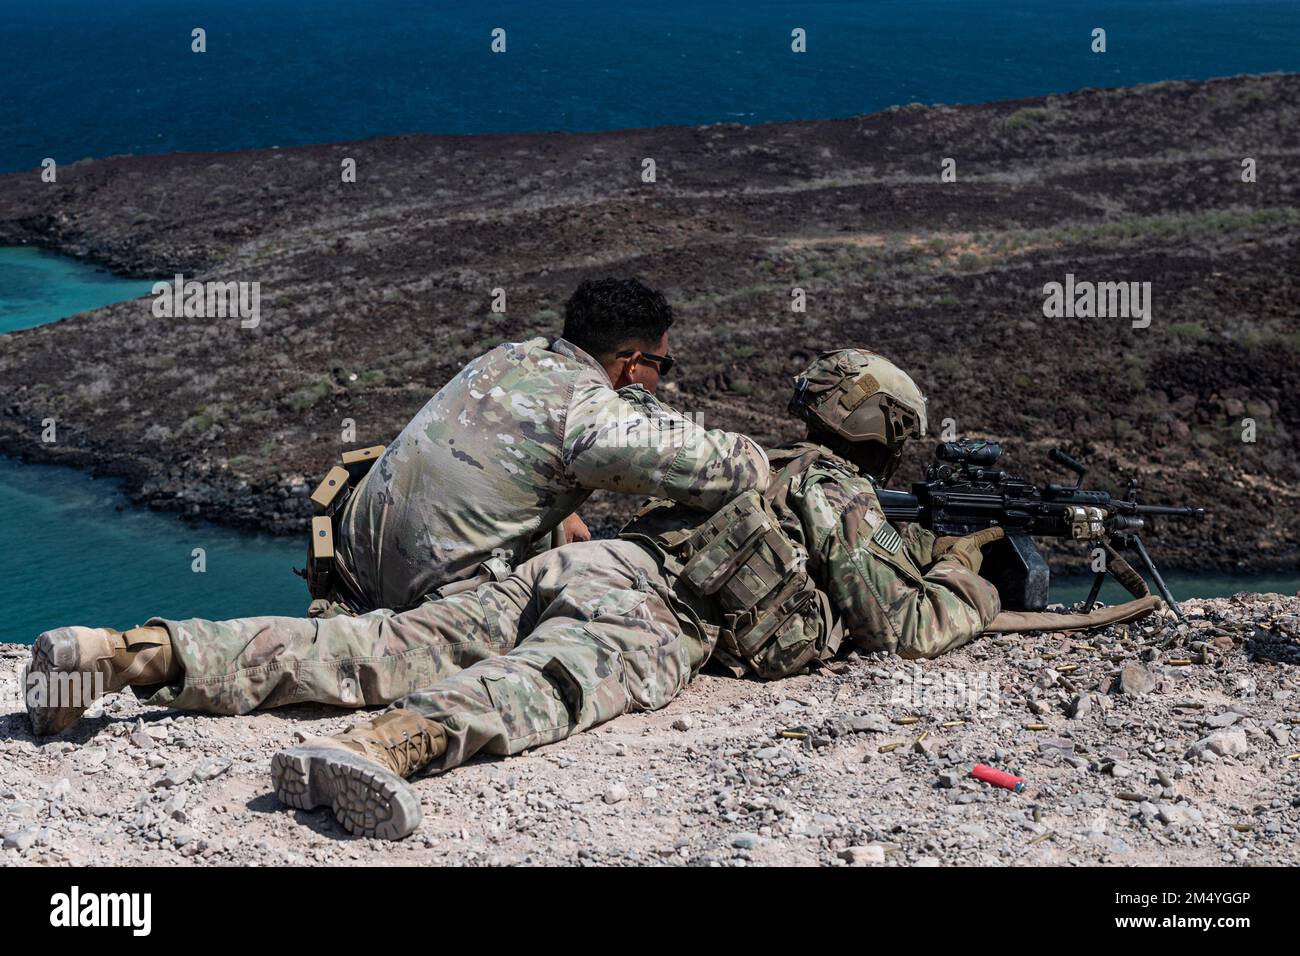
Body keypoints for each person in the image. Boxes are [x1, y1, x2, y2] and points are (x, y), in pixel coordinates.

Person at [36, 350, 1131, 842]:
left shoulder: (753, 457)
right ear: (886, 434)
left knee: (382, 638)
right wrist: (965, 571)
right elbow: (902, 629)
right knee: (543, 686)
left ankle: (135, 651)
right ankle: (385, 749)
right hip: (649, 614)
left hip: (579, 563)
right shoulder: (839, 493)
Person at [328, 275, 768, 612]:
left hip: (347, 578)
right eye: (663, 365)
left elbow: (512, 447)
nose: (664, 375)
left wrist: (562, 514)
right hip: (422, 613)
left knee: (557, 528)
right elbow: (740, 471)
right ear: (634, 363)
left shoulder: (507, 355)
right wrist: (643, 405)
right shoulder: (590, 413)